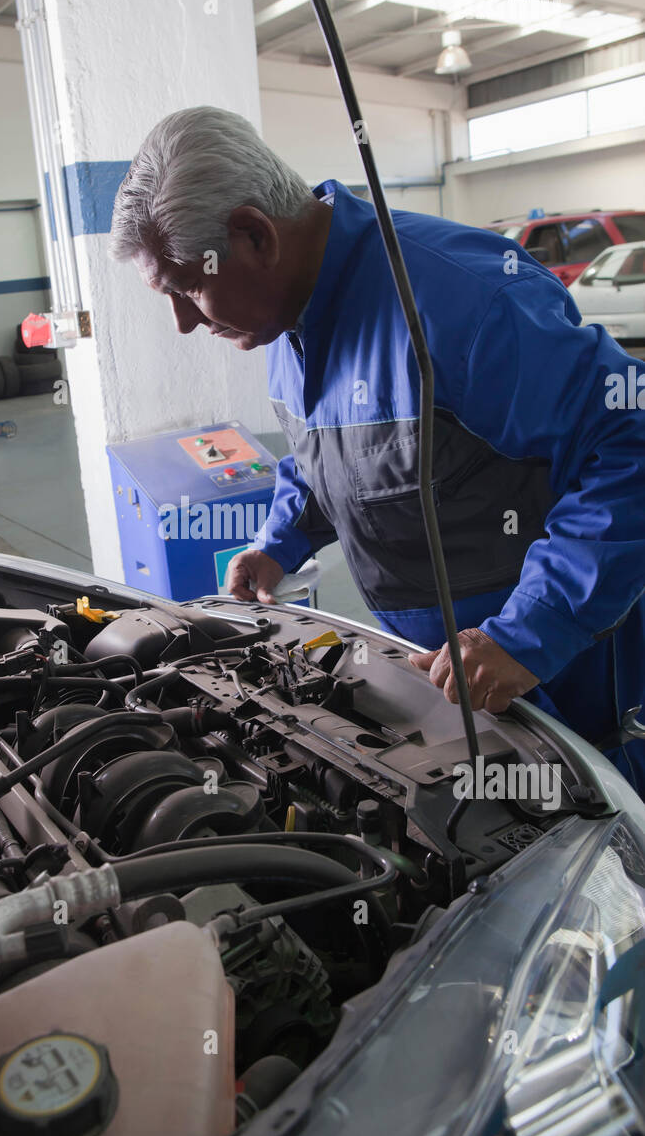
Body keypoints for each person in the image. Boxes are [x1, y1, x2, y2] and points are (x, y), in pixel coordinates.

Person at [110, 105, 645, 792]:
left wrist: (532, 632)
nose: (185, 321)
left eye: (187, 287)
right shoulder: (289, 325)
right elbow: (323, 458)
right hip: (449, 678)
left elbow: (629, 449)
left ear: (253, 235)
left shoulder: (462, 303)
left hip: (572, 680)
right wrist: (279, 542)